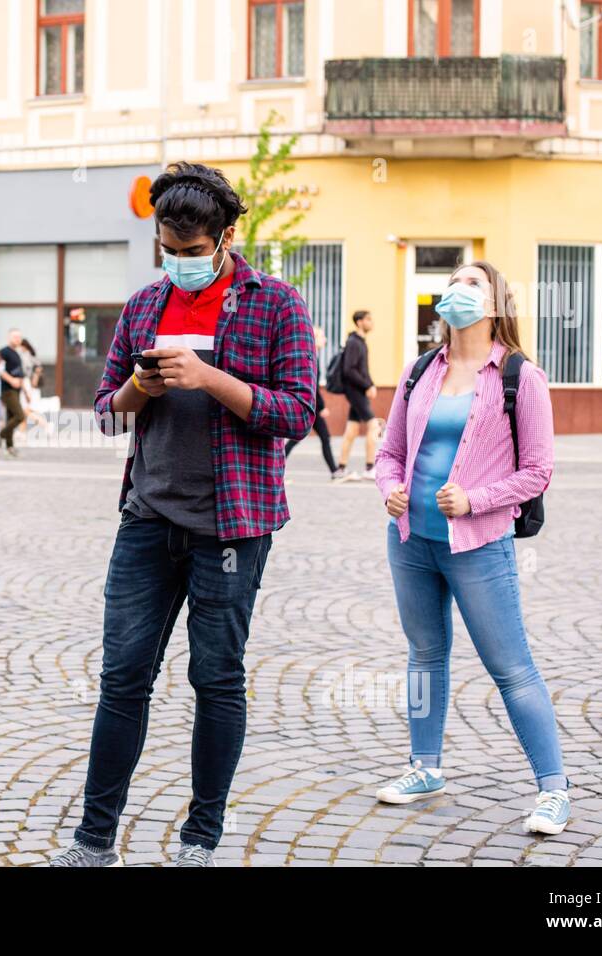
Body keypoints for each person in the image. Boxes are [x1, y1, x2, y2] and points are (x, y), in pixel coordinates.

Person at [49, 162, 316, 867]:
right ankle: (93, 840)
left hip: (232, 525)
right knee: (123, 676)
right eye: (168, 250)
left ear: (228, 236)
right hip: (147, 519)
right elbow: (105, 415)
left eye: (194, 253)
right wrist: (138, 386)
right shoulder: (144, 304)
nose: (180, 264)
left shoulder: (278, 305)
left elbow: (298, 412)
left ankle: (201, 839)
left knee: (217, 677)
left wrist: (211, 379)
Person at [374, 261, 570, 836]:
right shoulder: (419, 370)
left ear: (496, 304)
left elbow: (538, 471)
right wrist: (392, 490)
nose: (458, 290)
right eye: (454, 281)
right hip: (411, 540)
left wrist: (477, 499)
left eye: (472, 284)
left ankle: (554, 789)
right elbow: (389, 453)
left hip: (478, 545)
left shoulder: (518, 377)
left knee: (512, 668)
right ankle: (424, 767)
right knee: (424, 655)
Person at [285, 325, 338, 478]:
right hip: (311, 405)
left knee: (298, 438)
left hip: (311, 404)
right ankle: (334, 471)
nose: (325, 340)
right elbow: (312, 386)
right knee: (322, 437)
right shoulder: (310, 356)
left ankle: (334, 470)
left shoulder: (312, 355)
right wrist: (321, 407)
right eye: (322, 336)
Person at [335, 310, 377, 482]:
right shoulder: (354, 342)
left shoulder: (360, 342)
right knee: (374, 426)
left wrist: (371, 384)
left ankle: (341, 468)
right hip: (356, 391)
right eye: (368, 319)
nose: (371, 322)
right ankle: (370, 467)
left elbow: (363, 370)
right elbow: (349, 370)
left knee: (352, 430)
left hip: (358, 391)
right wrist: (367, 385)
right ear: (359, 322)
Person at [0, 328, 27, 457]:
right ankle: (1, 434)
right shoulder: (4, 352)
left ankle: (10, 447)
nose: (17, 339)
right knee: (20, 416)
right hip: (8, 390)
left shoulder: (17, 353)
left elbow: (21, 374)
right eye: (15, 337)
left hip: (17, 390)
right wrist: (11, 380)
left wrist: (26, 391)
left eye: (19, 337)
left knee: (11, 417)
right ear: (9, 337)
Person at [17, 337, 51, 431]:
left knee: (25, 410)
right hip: (28, 384)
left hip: (28, 385)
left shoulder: (26, 357)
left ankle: (45, 424)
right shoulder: (31, 356)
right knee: (25, 410)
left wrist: (31, 387)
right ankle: (21, 433)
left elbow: (35, 371)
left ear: (24, 346)